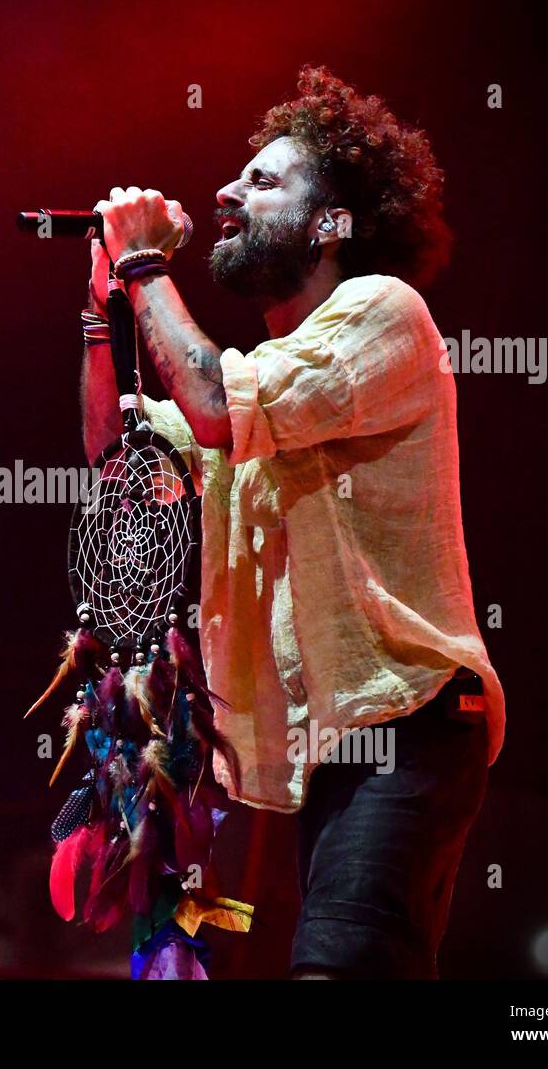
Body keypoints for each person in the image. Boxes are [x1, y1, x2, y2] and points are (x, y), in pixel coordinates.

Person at [79, 65, 503, 979]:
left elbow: (211, 408)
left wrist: (149, 262)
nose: (226, 190)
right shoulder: (260, 373)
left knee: (339, 967)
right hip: (343, 741)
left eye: (264, 181)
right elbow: (116, 450)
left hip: (413, 717)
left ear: (331, 224)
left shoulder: (385, 315)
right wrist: (102, 301)